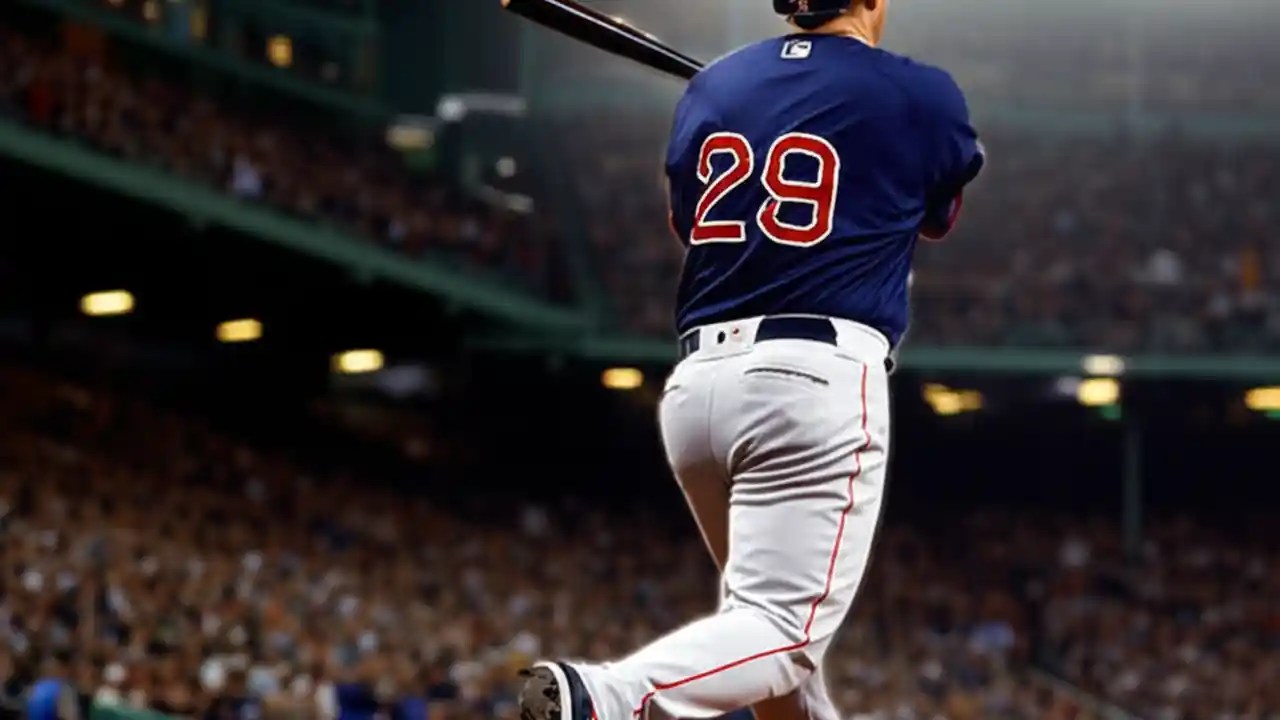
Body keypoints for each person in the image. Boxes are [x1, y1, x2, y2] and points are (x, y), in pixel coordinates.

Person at [518, 1, 983, 719]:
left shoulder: (717, 87)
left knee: (774, 664)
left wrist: (768, 114)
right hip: (812, 386)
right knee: (781, 638)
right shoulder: (920, 92)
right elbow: (936, 213)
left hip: (699, 390)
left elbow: (690, 221)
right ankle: (604, 698)